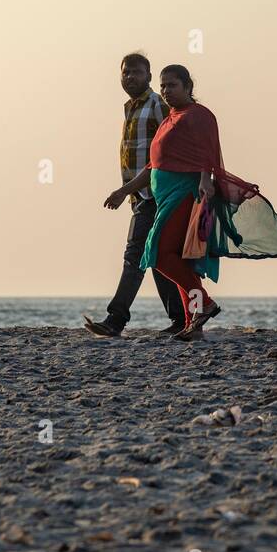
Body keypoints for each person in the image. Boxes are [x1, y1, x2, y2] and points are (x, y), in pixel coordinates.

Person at [120, 64, 277, 340]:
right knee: (181, 260)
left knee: (158, 253)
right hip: (164, 196)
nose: (166, 91)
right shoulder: (170, 118)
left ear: (188, 87)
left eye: (172, 85)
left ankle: (204, 304)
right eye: (162, 86)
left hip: (186, 194)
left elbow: (207, 154)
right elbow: (153, 165)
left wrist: (205, 181)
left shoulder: (199, 116)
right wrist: (124, 190)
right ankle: (193, 322)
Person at [83, 52, 186, 338]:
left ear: (149, 77)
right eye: (126, 72)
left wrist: (126, 190)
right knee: (155, 256)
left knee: (135, 255)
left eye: (137, 72)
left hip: (156, 193)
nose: (130, 77)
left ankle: (116, 319)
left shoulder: (157, 105)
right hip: (140, 195)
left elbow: (169, 148)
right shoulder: (131, 107)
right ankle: (180, 318)